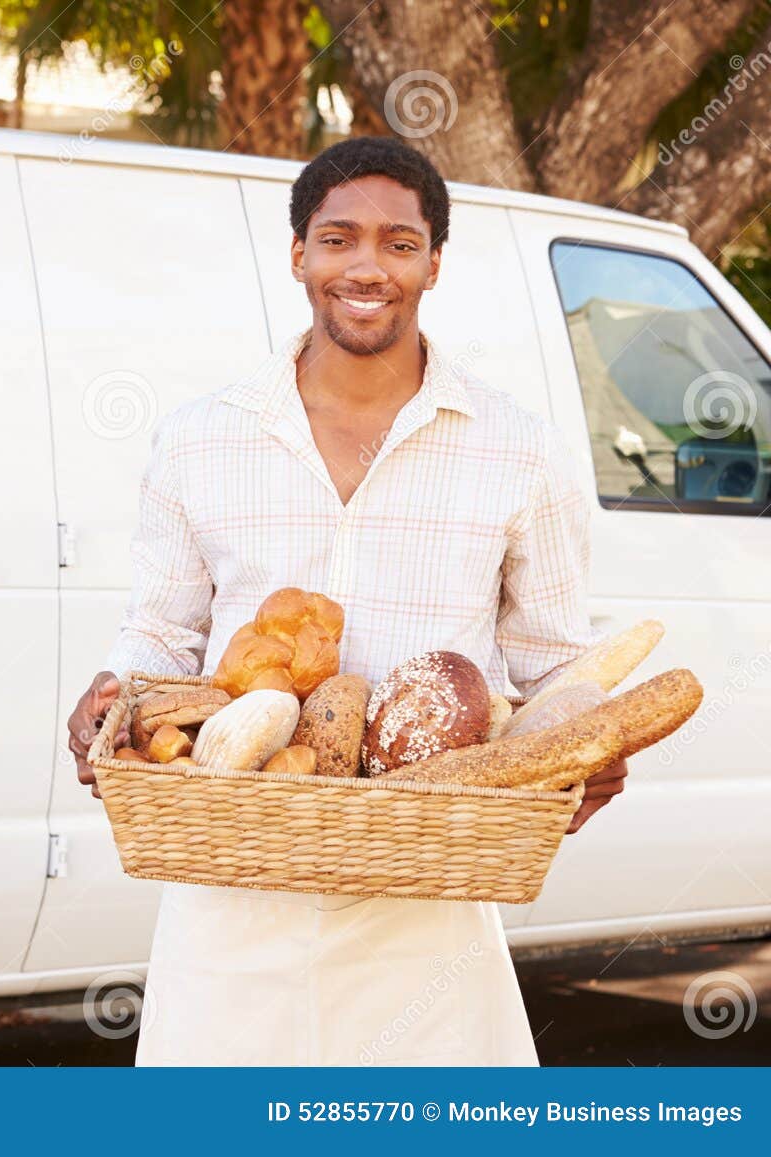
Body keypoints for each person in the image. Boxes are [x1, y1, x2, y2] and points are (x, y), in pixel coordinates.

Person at [66, 136, 627, 1066]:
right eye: (338, 239)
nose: (367, 266)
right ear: (298, 255)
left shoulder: (515, 450)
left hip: (427, 907)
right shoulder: (202, 440)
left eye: (399, 243)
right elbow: (160, 639)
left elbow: (556, 660)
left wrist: (586, 742)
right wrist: (109, 708)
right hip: (231, 893)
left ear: (434, 263)